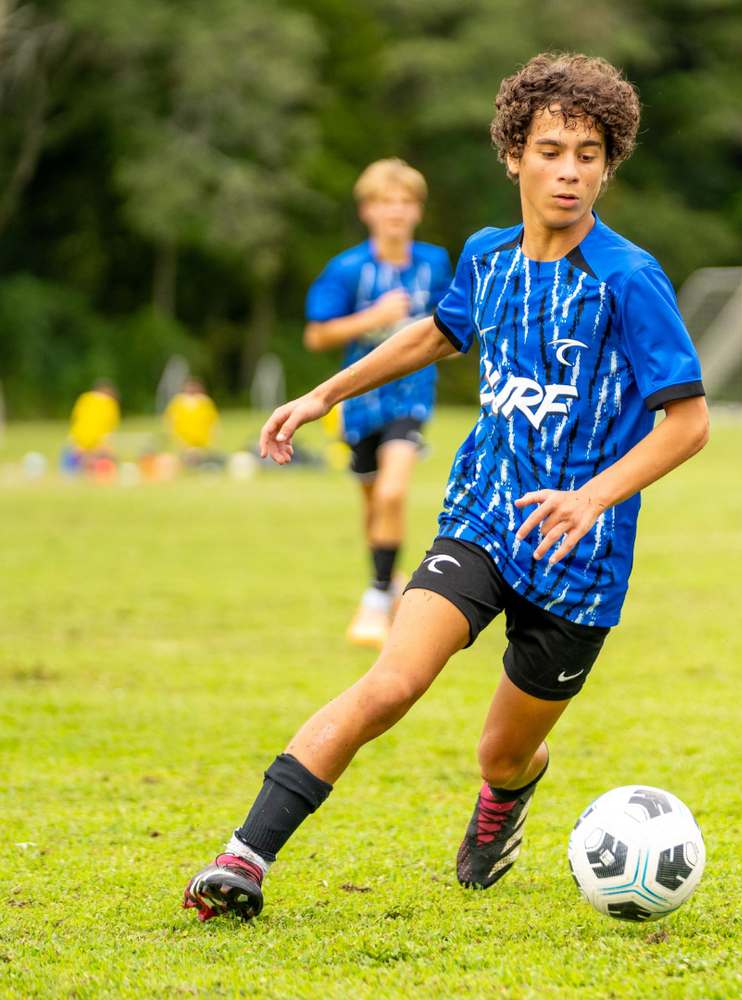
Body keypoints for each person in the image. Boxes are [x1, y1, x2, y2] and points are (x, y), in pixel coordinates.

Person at [182, 53, 709, 923]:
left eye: (588, 152)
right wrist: (323, 393)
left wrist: (590, 498)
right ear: (513, 155)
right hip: (484, 517)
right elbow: (437, 332)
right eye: (550, 149)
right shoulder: (487, 256)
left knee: (503, 755)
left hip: (581, 556)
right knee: (391, 682)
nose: (569, 169)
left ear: (610, 162)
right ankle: (243, 858)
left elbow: (687, 424)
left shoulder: (629, 279)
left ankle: (503, 805)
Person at [303, 159, 453, 648]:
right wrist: (370, 317)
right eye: (387, 202)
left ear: (417, 211)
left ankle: (373, 597)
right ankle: (389, 585)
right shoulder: (346, 269)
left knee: (392, 493)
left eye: (406, 202)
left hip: (410, 396)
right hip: (358, 401)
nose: (396, 211)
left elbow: (450, 327)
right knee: (373, 504)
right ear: (368, 210)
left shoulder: (434, 262)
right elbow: (317, 334)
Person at [62, 380, 120, 476]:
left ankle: (73, 472)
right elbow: (111, 429)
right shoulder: (110, 404)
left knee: (71, 457)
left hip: (77, 442)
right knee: (109, 454)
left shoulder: (84, 398)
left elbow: (74, 418)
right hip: (97, 445)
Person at [164, 378, 220, 457]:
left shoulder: (205, 402)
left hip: (201, 441)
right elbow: (170, 420)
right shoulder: (178, 402)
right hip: (183, 442)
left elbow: (213, 421)